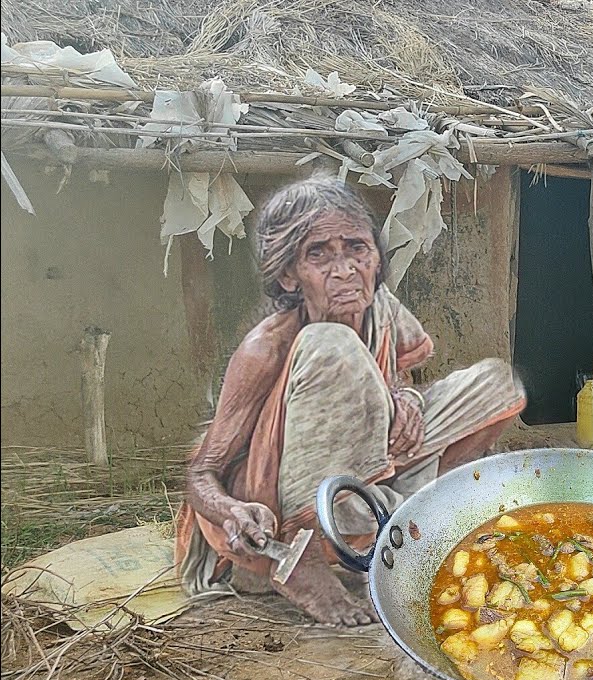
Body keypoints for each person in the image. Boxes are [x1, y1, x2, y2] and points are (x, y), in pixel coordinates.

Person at [174, 177, 525, 625]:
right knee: (332, 344)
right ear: (288, 274)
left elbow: (397, 378)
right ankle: (303, 556)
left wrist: (406, 398)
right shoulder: (267, 347)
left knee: (497, 383)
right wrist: (233, 512)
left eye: (357, 248)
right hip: (277, 505)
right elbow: (202, 471)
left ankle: (413, 519)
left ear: (376, 259)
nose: (344, 269)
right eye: (318, 254)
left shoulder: (384, 309)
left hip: (367, 466)